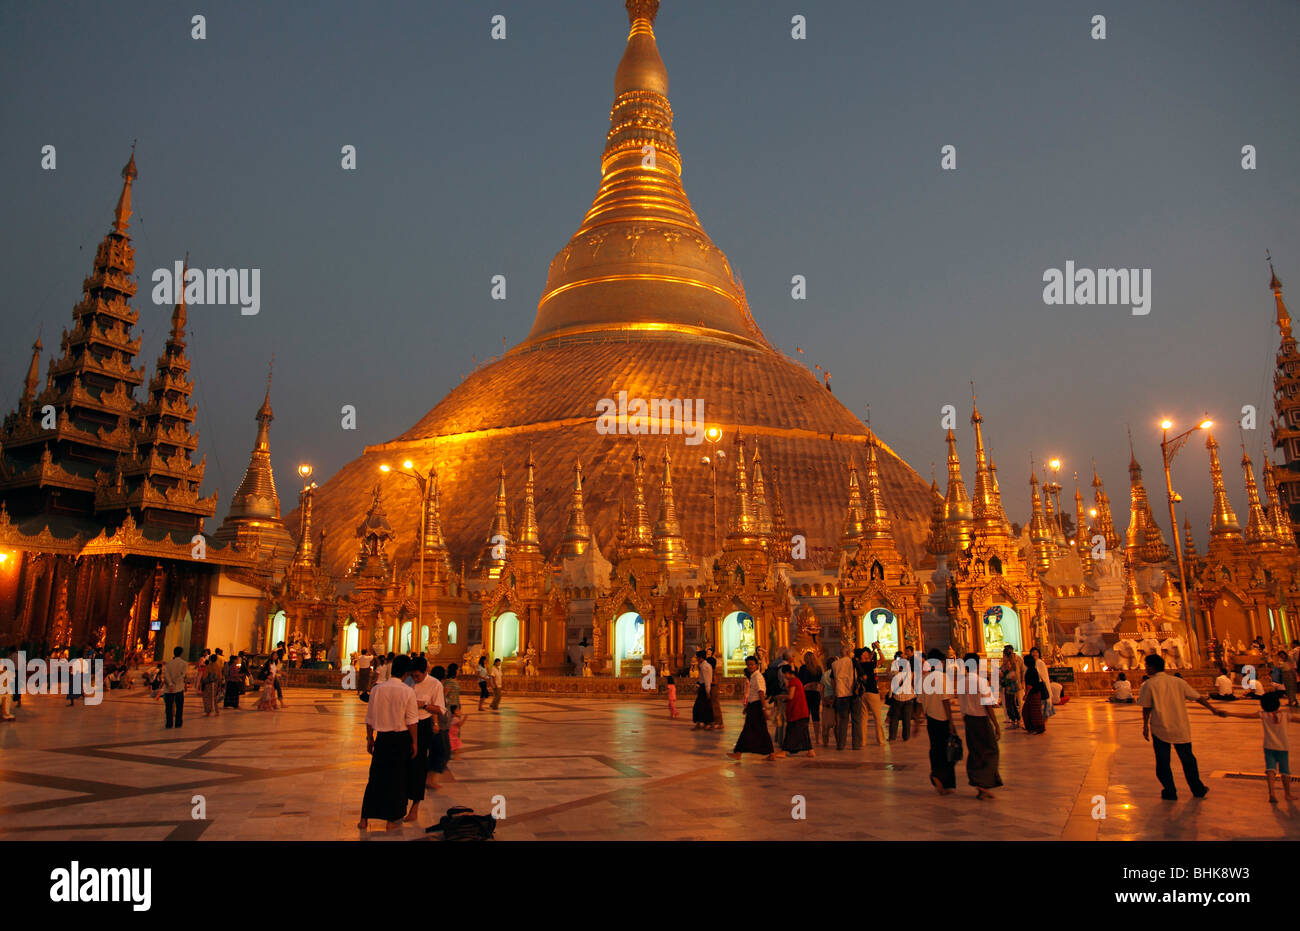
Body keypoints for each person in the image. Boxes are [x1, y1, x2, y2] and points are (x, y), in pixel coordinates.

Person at [1138, 652, 1227, 800]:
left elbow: (1146, 707)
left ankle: (1170, 791)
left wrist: (1145, 725)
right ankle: (1197, 789)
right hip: (1180, 726)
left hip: (1160, 727)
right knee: (1188, 760)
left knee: (1163, 762)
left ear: (1153, 667)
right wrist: (1213, 709)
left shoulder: (1149, 684)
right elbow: (1198, 697)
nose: (1146, 668)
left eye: (1147, 665)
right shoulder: (1178, 682)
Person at [358, 654, 419, 831]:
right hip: (400, 739)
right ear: (406, 673)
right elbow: (412, 721)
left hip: (382, 739)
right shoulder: (408, 691)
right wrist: (415, 742)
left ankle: (364, 819)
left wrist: (370, 738)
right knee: (397, 779)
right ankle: (391, 820)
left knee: (375, 777)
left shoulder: (377, 689)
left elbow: (369, 718)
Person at [1222, 691, 1299, 804]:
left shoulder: (1264, 715)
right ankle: (1287, 794)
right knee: (1285, 771)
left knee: (1270, 769)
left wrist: (1229, 713)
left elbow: (1247, 716)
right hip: (1283, 747)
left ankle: (1272, 793)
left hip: (1268, 746)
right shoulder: (1286, 715)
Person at [958, 652, 1001, 799]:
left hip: (969, 720)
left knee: (975, 751)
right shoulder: (981, 681)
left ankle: (979, 782)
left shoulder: (961, 682)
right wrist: (996, 724)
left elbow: (961, 703)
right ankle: (984, 783)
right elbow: (988, 705)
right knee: (991, 750)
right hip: (981, 720)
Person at [726, 655, 784, 762]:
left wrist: (764, 709)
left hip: (757, 707)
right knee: (755, 729)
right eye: (748, 665)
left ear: (757, 665)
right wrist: (747, 707)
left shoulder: (758, 677)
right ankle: (740, 752)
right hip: (753, 706)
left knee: (755, 729)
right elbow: (753, 694)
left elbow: (761, 693)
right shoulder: (753, 676)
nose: (750, 666)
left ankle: (739, 752)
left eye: (752, 664)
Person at [919, 648, 957, 794]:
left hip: (931, 718)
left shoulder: (924, 678)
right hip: (942, 718)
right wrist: (951, 721)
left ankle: (940, 780)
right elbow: (945, 700)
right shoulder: (942, 677)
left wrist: (917, 720)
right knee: (946, 751)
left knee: (935, 748)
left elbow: (920, 701)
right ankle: (939, 777)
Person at [405, 657, 438, 822]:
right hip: (405, 725)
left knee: (419, 767)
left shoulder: (435, 684)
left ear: (426, 671)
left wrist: (423, 705)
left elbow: (439, 709)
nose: (415, 679)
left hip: (423, 725)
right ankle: (400, 804)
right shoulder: (407, 681)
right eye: (413, 675)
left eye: (417, 676)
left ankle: (415, 808)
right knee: (404, 766)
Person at [779, 664, 814, 756]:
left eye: (784, 674)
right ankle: (810, 751)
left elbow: (790, 696)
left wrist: (780, 696)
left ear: (788, 673)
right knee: (803, 732)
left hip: (797, 711)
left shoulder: (793, 682)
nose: (784, 676)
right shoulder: (797, 681)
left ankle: (784, 751)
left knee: (791, 731)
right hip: (802, 710)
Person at [427, 665, 451, 790]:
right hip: (439, 726)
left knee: (439, 752)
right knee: (443, 752)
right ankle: (430, 778)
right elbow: (434, 706)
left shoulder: (439, 687)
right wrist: (436, 723)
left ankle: (430, 778)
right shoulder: (436, 686)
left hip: (443, 725)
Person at [857, 646, 887, 747]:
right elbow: (882, 660)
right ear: (862, 655)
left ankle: (863, 741)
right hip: (872, 692)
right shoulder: (869, 664)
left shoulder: (858, 665)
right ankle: (880, 740)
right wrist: (878, 649)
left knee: (863, 718)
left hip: (862, 693)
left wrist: (873, 651)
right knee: (877, 717)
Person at [887, 651, 915, 741]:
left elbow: (888, 673)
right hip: (909, 696)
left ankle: (892, 736)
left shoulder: (894, 673)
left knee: (894, 718)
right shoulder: (909, 672)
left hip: (898, 697)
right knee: (907, 718)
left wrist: (893, 662)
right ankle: (906, 736)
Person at [830, 651, 854, 750]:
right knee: (855, 719)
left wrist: (835, 691)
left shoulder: (835, 664)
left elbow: (832, 680)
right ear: (848, 652)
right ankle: (856, 743)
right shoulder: (852, 662)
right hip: (852, 692)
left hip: (840, 693)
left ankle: (841, 744)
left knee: (842, 720)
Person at [1021, 657, 1049, 734]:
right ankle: (1032, 727)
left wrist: (1026, 695)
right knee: (1029, 711)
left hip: (1033, 693)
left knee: (1034, 712)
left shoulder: (1030, 671)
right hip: (1035, 693)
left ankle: (1038, 728)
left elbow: (1029, 685)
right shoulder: (1033, 670)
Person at [162, 647, 188, 729]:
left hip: (169, 689)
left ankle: (169, 723)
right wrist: (176, 683)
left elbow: (166, 674)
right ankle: (178, 722)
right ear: (181, 653)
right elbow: (183, 675)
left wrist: (170, 684)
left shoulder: (168, 663)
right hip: (179, 687)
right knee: (179, 707)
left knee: (169, 707)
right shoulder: (184, 663)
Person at [798, 653, 822, 738]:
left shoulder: (803, 668)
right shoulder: (818, 668)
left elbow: (800, 681)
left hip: (806, 693)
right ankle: (817, 737)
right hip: (815, 693)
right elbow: (820, 681)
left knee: (806, 715)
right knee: (816, 715)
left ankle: (806, 736)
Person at [692, 650, 714, 728]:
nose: (697, 659)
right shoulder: (704, 665)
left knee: (702, 706)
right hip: (703, 686)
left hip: (705, 688)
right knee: (701, 706)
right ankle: (702, 722)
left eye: (697, 658)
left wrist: (708, 691)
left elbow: (707, 679)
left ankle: (707, 722)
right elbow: (702, 678)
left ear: (701, 658)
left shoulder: (705, 666)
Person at [819, 661, 836, 747]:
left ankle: (825, 741)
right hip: (835, 697)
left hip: (826, 697)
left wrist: (822, 699)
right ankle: (838, 740)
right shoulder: (836, 673)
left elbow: (821, 688)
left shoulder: (825, 674)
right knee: (836, 720)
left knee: (825, 721)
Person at [706, 656, 724, 728]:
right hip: (712, 689)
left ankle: (719, 722)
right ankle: (713, 721)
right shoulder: (711, 670)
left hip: (713, 689)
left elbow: (715, 681)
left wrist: (708, 682)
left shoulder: (713, 671)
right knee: (711, 706)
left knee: (715, 706)